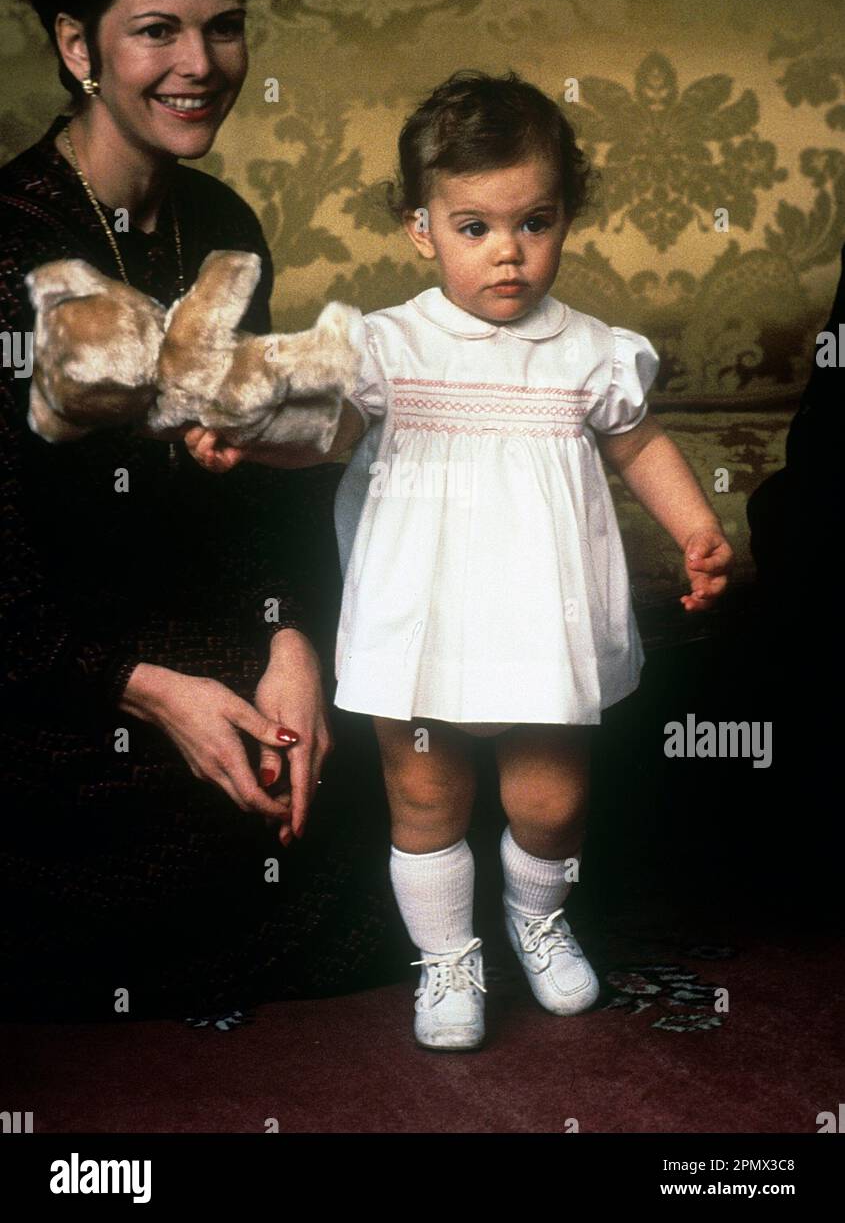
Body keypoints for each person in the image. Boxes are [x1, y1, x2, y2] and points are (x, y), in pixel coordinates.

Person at [188, 70, 734, 1050]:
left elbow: (638, 444)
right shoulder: (390, 343)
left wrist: (695, 529)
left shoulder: (589, 351)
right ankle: (444, 958)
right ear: (421, 228)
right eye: (474, 227)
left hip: (543, 619)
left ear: (567, 219)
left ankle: (535, 913)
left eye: (535, 221)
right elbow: (324, 430)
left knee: (548, 796)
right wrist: (247, 440)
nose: (510, 254)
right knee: (426, 793)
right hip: (423, 612)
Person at [0, 0, 395, 1022]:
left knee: (399, 752)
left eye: (222, 26)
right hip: (56, 663)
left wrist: (289, 645)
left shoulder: (222, 227)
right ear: (79, 46)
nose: (199, 63)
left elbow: (263, 492)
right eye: (156, 30)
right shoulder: (10, 243)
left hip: (201, 623)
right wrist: (151, 692)